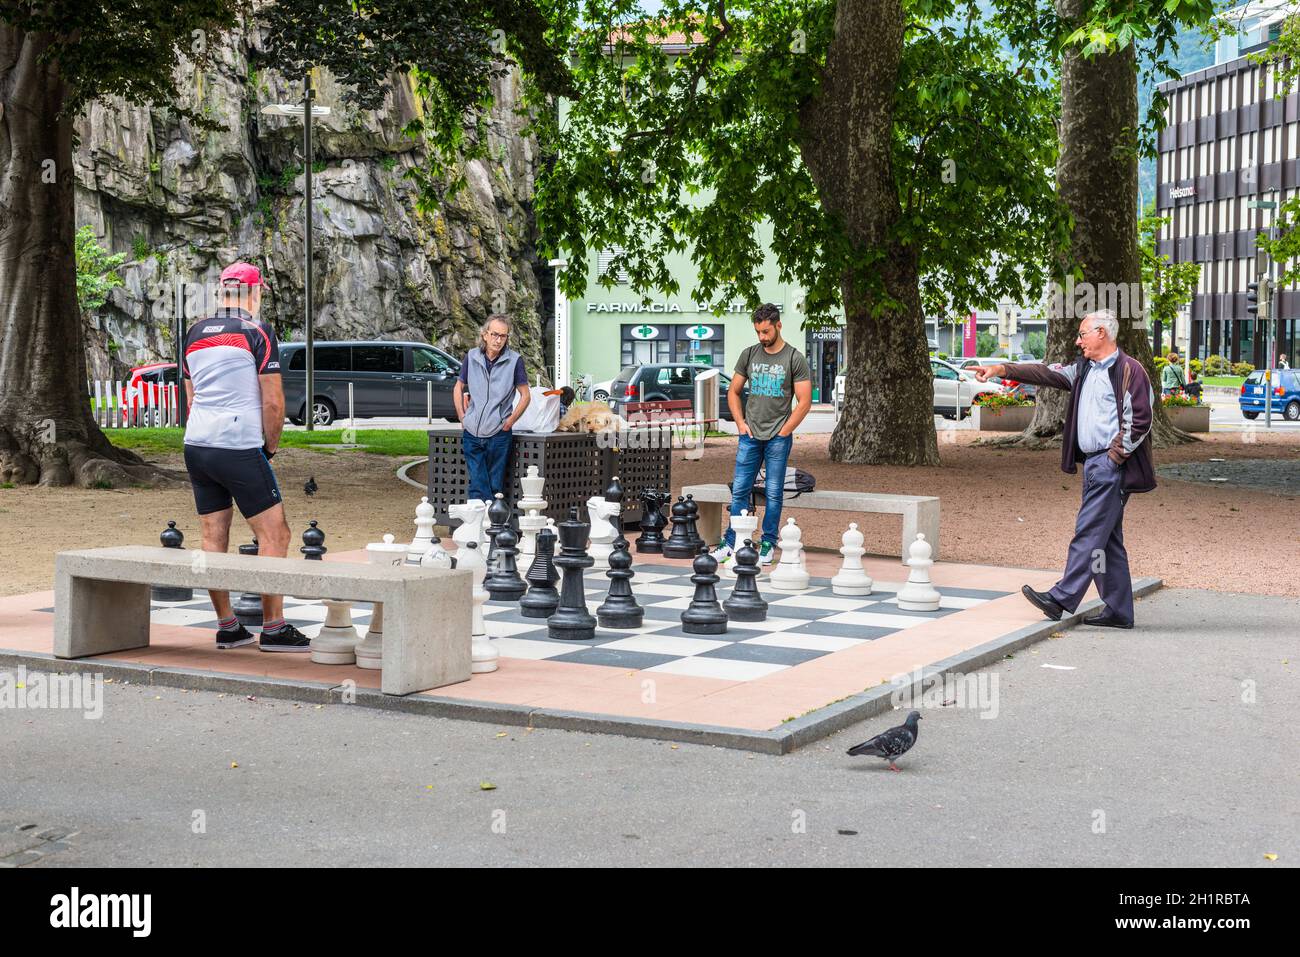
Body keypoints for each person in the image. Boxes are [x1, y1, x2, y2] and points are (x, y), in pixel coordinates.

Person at [971, 309, 1156, 629]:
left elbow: (1140, 419)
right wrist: (1000, 368)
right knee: (1105, 539)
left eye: (1083, 334)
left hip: (1109, 464)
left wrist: (1115, 456)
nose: (1078, 340)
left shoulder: (1130, 370)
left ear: (1102, 334)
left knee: (1088, 531)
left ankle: (1061, 598)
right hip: (1096, 464)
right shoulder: (1082, 369)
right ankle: (1119, 610)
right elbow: (1044, 372)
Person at [182, 262, 309, 652]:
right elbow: (273, 402)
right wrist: (269, 448)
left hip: (197, 443)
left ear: (222, 292)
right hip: (237, 444)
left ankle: (228, 626)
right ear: (255, 292)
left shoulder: (193, 332)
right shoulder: (258, 331)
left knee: (212, 535)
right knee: (275, 534)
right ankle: (273, 628)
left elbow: (191, 400)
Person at [711, 303, 813, 566]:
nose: (762, 337)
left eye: (766, 331)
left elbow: (804, 401)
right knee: (740, 490)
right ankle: (732, 542)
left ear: (778, 325)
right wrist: (740, 423)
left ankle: (767, 543)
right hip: (750, 435)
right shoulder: (749, 354)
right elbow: (732, 391)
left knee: (774, 491)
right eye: (758, 332)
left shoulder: (794, 358)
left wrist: (785, 430)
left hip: (778, 437)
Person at [454, 315, 530, 501]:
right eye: (494, 334)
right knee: (478, 482)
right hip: (472, 431)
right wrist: (463, 417)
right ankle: (483, 524)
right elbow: (458, 387)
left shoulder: (514, 361)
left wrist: (509, 422)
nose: (498, 340)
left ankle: (490, 526)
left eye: (503, 336)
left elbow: (526, 396)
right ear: (485, 335)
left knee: (495, 485)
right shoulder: (471, 356)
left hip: (499, 433)